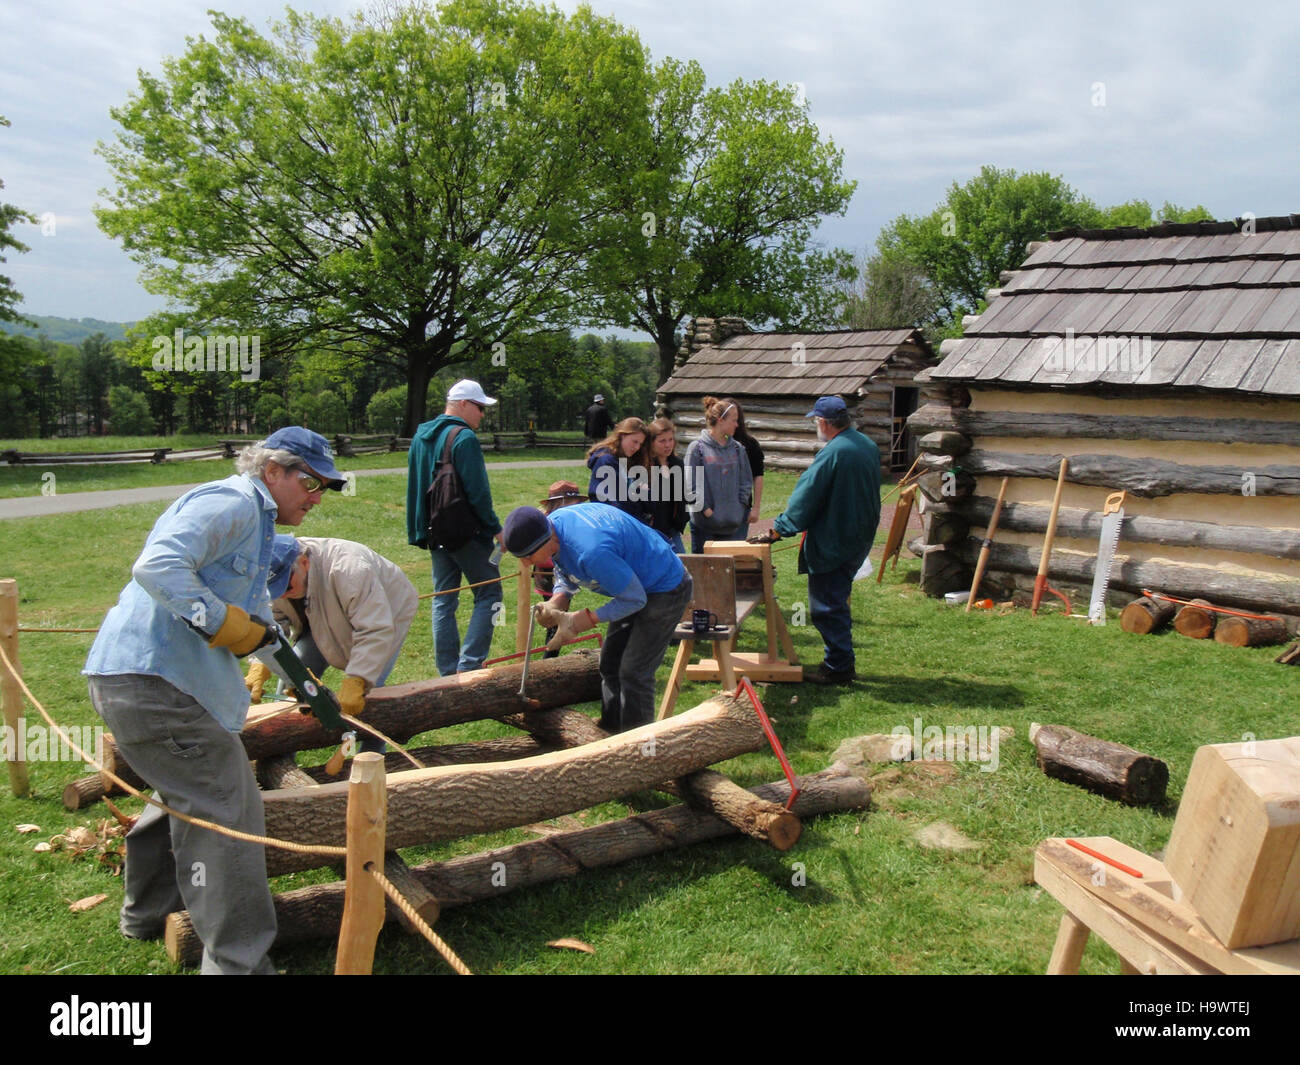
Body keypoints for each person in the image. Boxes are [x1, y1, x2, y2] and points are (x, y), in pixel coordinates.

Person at [82, 426, 346, 974]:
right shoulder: (233, 502)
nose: (318, 495)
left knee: (185, 791)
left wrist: (307, 687)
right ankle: (238, 965)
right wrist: (221, 624)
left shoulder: (257, 524)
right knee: (227, 809)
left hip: (138, 680)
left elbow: (259, 630)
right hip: (158, 685)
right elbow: (157, 568)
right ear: (272, 470)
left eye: (326, 486)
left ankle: (147, 914)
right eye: (311, 481)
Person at [502, 502, 692, 733]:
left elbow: (634, 599)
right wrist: (556, 602)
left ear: (544, 541)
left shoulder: (591, 551)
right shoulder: (555, 527)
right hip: (636, 585)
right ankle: (610, 731)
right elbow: (564, 567)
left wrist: (584, 619)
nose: (525, 563)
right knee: (609, 663)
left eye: (527, 556)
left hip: (665, 588)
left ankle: (640, 749)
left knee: (634, 672)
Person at [246, 536, 419, 746]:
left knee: (371, 698)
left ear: (304, 562)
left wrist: (359, 678)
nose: (282, 594)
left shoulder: (349, 570)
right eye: (276, 589)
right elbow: (271, 622)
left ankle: (369, 761)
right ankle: (284, 749)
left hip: (386, 614)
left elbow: (374, 629)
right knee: (295, 677)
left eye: (287, 586)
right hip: (323, 611)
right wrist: (260, 662)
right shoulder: (274, 574)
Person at [757, 396, 881, 685]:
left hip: (836, 540)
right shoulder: (867, 445)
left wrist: (778, 530)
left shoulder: (834, 452)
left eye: (816, 420)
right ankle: (838, 661)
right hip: (858, 536)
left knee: (826, 606)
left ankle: (839, 667)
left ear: (824, 422)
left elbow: (806, 497)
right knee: (836, 600)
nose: (816, 425)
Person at [407, 379, 503, 676]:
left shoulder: (420, 437)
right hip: (465, 532)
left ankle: (448, 673)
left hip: (435, 532)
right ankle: (470, 665)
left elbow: (415, 486)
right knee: (489, 594)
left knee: (443, 599)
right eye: (479, 407)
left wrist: (421, 529)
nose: (482, 415)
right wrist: (494, 528)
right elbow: (478, 493)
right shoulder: (464, 438)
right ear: (461, 404)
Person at [684, 395, 753, 554]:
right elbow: (689, 486)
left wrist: (739, 507)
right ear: (721, 420)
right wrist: (707, 511)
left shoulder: (738, 449)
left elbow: (746, 481)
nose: (737, 424)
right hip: (705, 527)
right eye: (733, 420)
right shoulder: (697, 449)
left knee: (732, 575)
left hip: (733, 526)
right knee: (705, 575)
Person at [585, 416, 652, 524]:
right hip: (613, 524)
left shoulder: (627, 461)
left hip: (630, 523)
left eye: (640, 444)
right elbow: (616, 502)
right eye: (634, 441)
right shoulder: (605, 461)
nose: (637, 447)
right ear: (622, 435)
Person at [646, 416, 689, 553]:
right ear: (651, 443)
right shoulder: (645, 466)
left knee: (683, 567)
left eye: (670, 440)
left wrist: (682, 518)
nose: (668, 445)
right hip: (651, 529)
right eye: (662, 441)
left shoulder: (677, 463)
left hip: (672, 529)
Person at [732, 402, 765, 526]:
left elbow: (758, 475)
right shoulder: (705, 447)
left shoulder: (750, 444)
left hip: (742, 506)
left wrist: (756, 508)